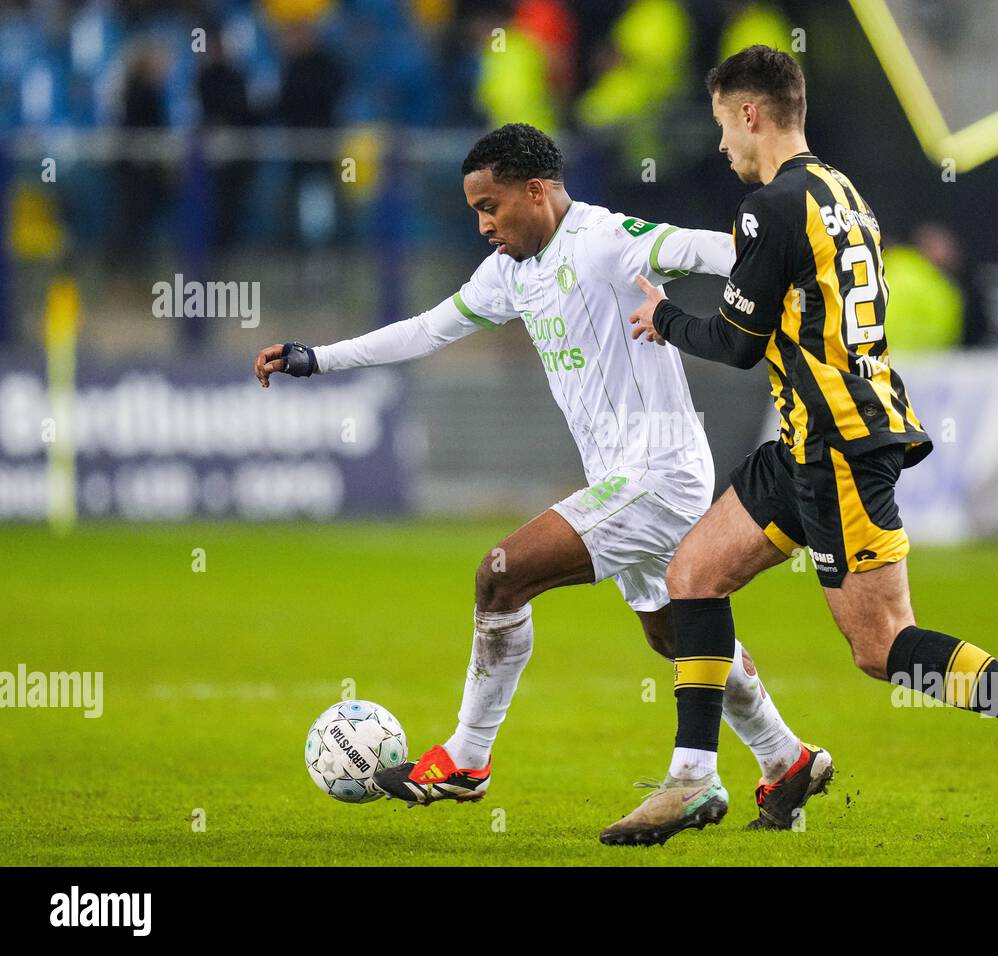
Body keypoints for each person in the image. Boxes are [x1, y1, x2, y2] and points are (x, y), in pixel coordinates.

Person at [599, 46, 998, 846]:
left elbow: (737, 343)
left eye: (722, 128)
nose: (721, 148)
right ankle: (696, 778)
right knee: (692, 577)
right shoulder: (841, 191)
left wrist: (662, 316)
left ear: (750, 113)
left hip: (837, 445)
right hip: (812, 441)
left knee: (883, 648)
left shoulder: (770, 207)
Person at [253, 124, 833, 832]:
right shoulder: (507, 273)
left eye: (490, 206)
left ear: (537, 191)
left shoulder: (609, 239)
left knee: (500, 575)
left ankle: (467, 758)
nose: (483, 224)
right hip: (625, 475)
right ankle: (786, 758)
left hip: (659, 469)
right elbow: (428, 329)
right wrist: (318, 359)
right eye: (474, 211)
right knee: (675, 635)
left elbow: (709, 248)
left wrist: (806, 260)